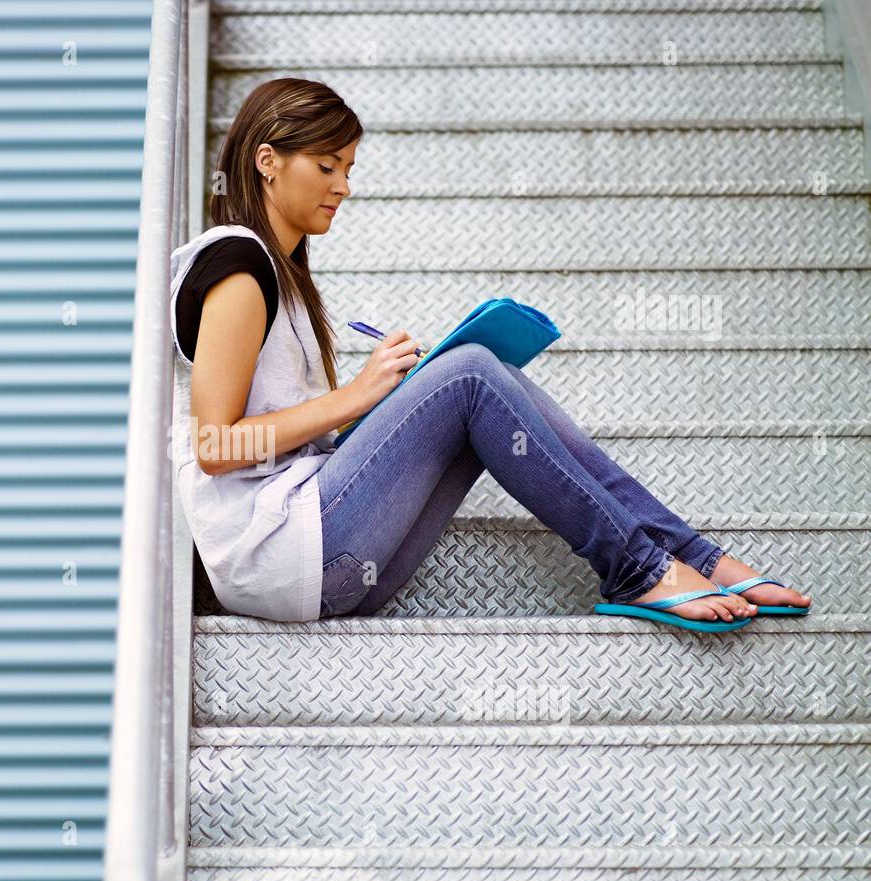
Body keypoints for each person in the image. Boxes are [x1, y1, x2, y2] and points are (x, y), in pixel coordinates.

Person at [169, 77, 812, 627]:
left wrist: (381, 404)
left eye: (349, 169)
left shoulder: (280, 276)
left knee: (482, 374)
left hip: (333, 563)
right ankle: (640, 570)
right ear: (266, 160)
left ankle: (695, 558)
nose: (343, 186)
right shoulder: (237, 266)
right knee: (470, 374)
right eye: (327, 165)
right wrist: (356, 398)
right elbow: (216, 447)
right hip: (285, 557)